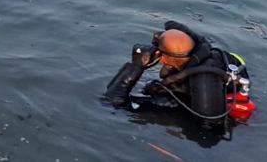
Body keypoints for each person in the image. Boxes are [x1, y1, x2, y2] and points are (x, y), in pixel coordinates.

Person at [103, 20, 252, 124]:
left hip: (190, 119)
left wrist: (136, 66)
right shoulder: (215, 58)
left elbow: (111, 102)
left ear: (163, 59)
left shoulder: (172, 100)